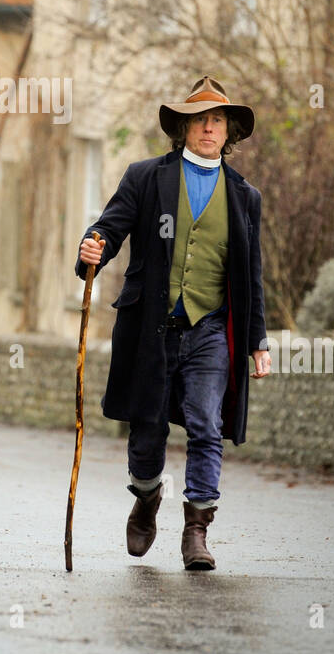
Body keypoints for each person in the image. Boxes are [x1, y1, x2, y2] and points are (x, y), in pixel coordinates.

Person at [76, 76, 271, 570]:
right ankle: (146, 498)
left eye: (218, 120)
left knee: (207, 424)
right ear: (183, 127)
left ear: (229, 133)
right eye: (200, 119)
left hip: (211, 331)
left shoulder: (245, 197)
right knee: (147, 431)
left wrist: (257, 341)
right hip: (151, 328)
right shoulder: (146, 177)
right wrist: (93, 244)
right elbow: (110, 227)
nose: (209, 128)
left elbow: (252, 276)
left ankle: (197, 531)